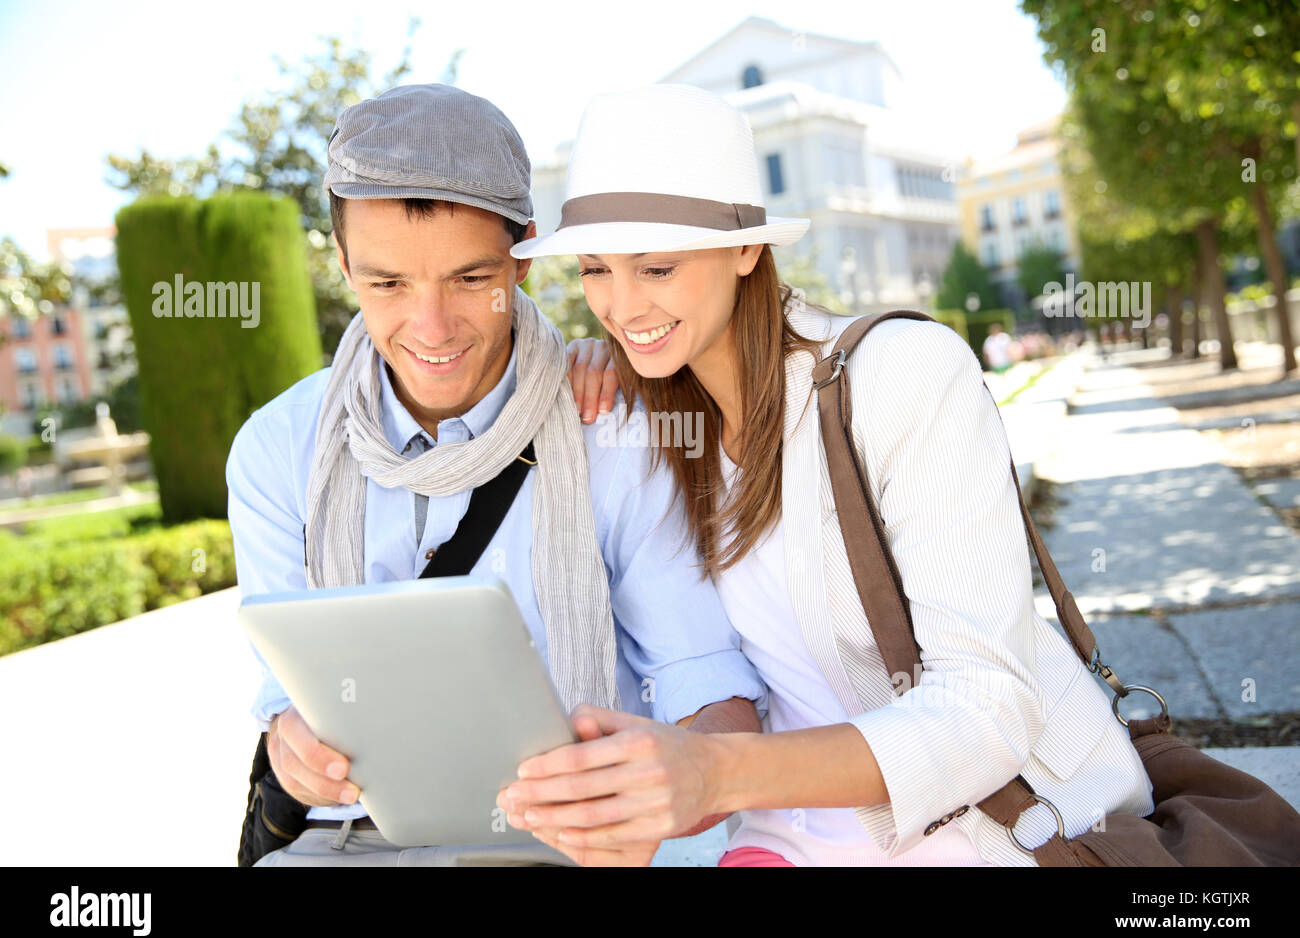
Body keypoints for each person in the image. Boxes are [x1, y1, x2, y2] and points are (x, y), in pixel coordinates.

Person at [495, 84, 1155, 867]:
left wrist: (714, 774)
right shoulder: (653, 423)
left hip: (984, 831)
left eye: (658, 267)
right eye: (596, 270)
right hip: (782, 840)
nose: (620, 303)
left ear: (748, 250)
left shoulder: (902, 373)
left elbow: (989, 709)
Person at [226, 84, 768, 866]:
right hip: (352, 843)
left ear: (524, 257)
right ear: (342, 265)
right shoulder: (278, 449)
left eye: (470, 278)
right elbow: (287, 701)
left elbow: (703, 683)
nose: (432, 328)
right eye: (387, 284)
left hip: (576, 848)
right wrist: (292, 748)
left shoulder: (614, 427)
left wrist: (705, 774)